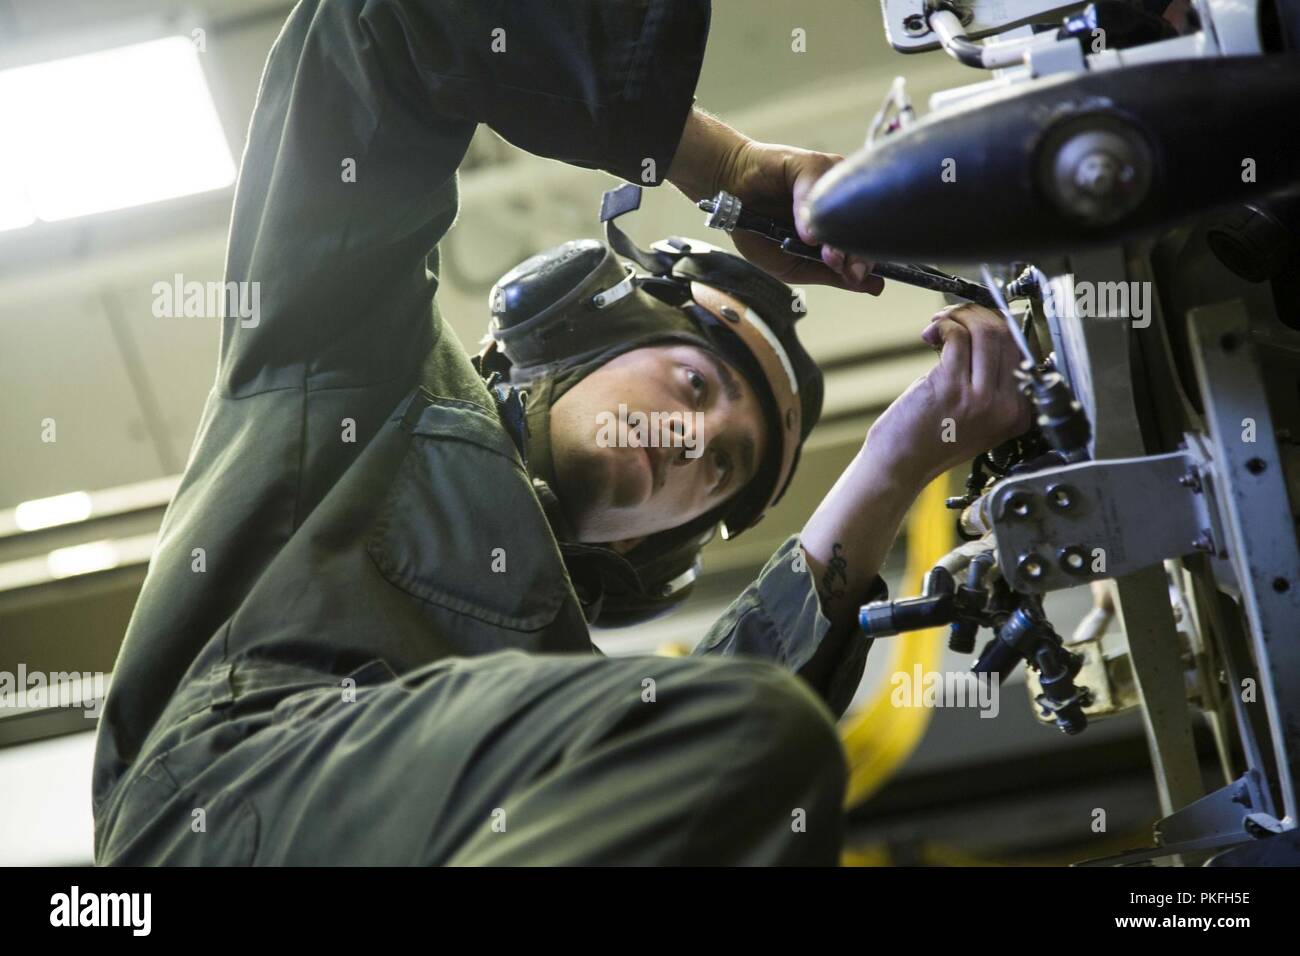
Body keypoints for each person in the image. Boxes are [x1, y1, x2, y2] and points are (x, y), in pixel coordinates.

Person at [92, 0, 1029, 865]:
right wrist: (727, 168)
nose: (700, 444)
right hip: (221, 806)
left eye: (729, 467)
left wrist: (900, 457)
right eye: (696, 382)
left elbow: (728, 728)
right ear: (585, 324)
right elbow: (377, 28)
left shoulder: (556, 712)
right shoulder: (353, 372)